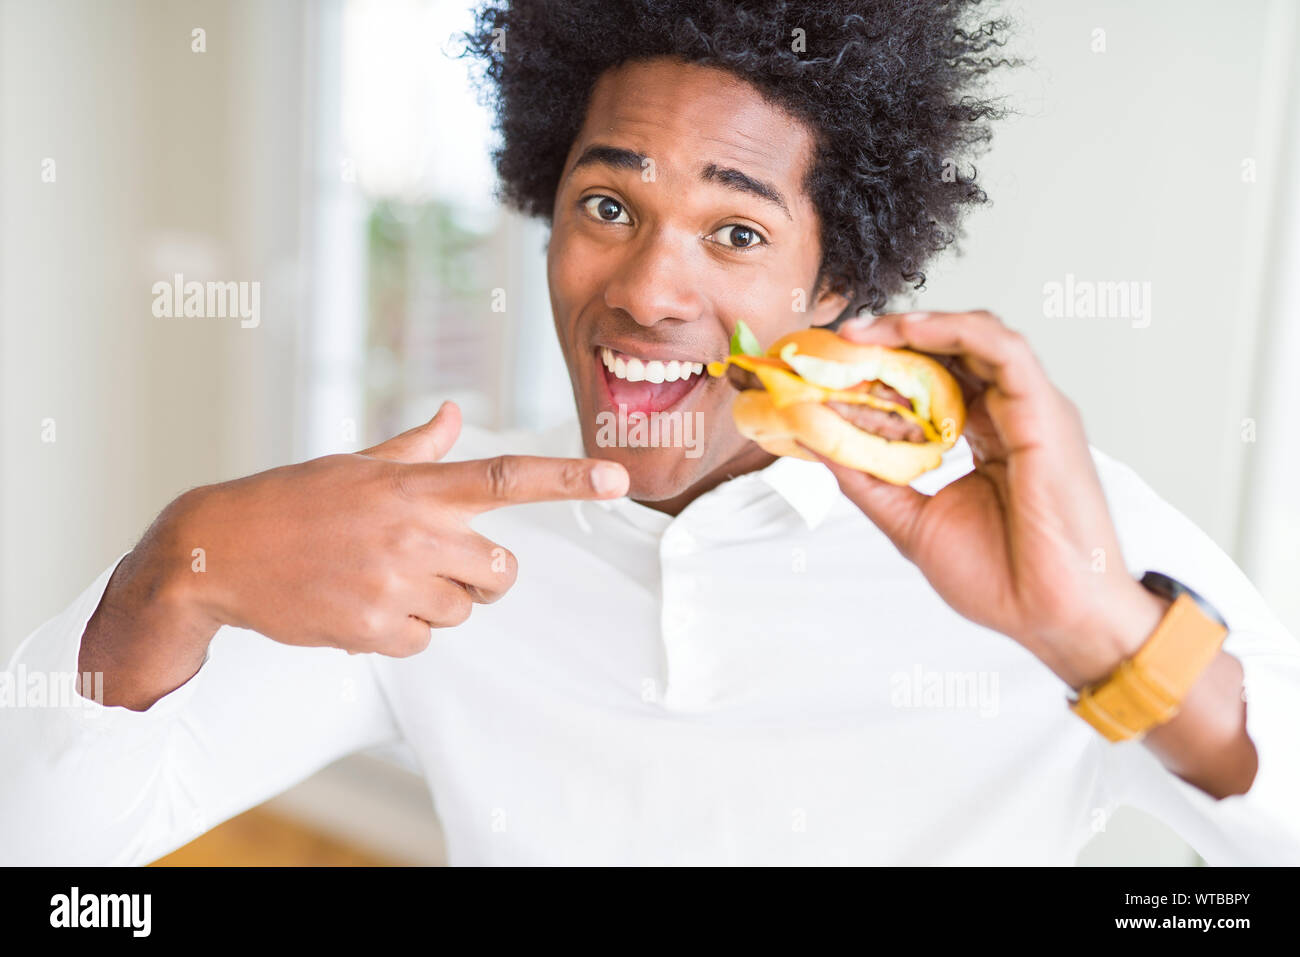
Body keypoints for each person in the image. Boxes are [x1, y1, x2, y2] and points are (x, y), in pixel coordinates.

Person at [3, 0, 1298, 865]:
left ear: (835, 286)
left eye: (736, 231)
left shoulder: (1060, 529)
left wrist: (1098, 633)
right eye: (606, 204)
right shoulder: (442, 542)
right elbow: (50, 845)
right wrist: (171, 574)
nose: (646, 288)